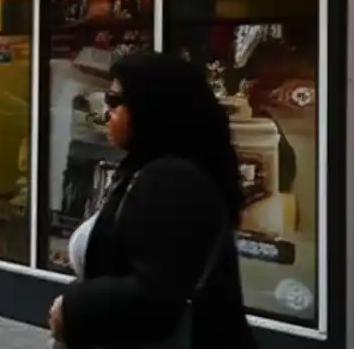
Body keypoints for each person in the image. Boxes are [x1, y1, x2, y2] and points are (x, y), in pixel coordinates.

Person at [47, 51, 256, 348]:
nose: (106, 113)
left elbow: (155, 295)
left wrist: (73, 308)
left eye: (115, 101)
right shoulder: (150, 170)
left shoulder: (171, 180)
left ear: (151, 108)